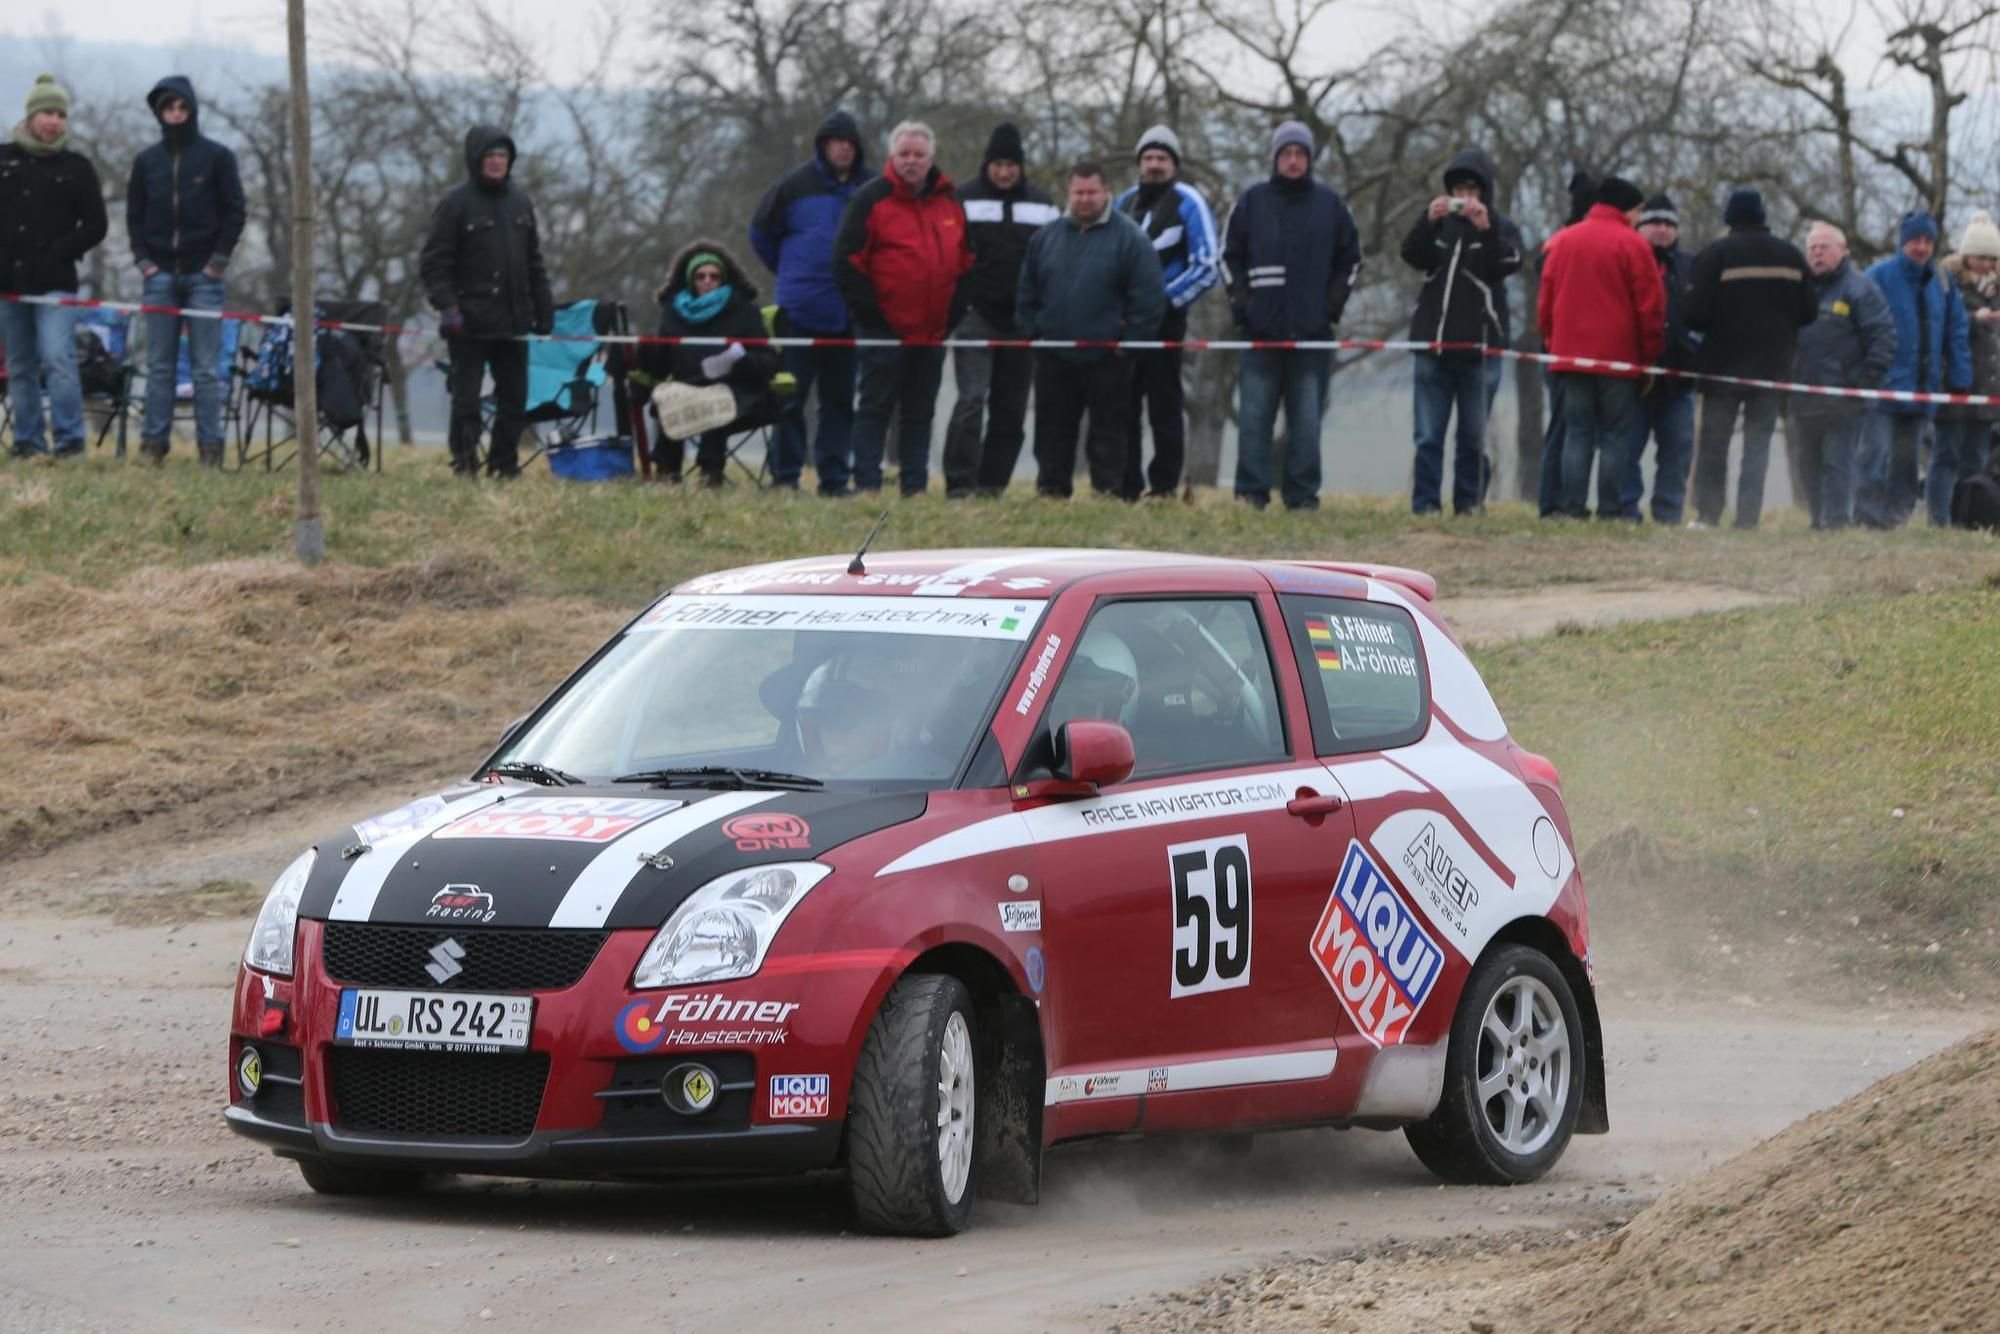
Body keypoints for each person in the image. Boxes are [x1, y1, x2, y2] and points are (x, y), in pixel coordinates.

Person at [1221, 120, 1362, 511]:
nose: (1294, 160)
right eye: (1287, 153)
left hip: (1312, 336)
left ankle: (1302, 498)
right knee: (1253, 421)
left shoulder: (1330, 205)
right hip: (1260, 336)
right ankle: (1251, 494)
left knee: (1306, 423)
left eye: (1301, 154)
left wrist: (1330, 307)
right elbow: (1228, 257)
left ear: (1310, 159)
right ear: (1275, 158)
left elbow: (1351, 260)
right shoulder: (1251, 202)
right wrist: (1243, 306)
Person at [833, 120, 972, 497]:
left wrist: (950, 318)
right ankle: (866, 484)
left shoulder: (950, 202)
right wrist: (874, 318)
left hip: (932, 332)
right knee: (875, 409)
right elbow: (847, 261)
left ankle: (915, 486)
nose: (912, 161)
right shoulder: (870, 200)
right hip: (883, 331)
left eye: (919, 154)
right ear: (892, 157)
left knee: (919, 412)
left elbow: (966, 263)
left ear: (931, 159)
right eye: (904, 154)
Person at [1015, 161, 1165, 497]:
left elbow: (1149, 296)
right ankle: (1052, 491)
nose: (1085, 199)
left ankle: (1108, 492)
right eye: (1078, 192)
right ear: (1069, 193)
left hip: (1109, 358)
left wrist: (1130, 342)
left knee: (1110, 431)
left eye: (1091, 192)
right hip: (1054, 355)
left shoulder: (1131, 239)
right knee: (1052, 430)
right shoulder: (1046, 238)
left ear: (1106, 192)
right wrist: (1032, 332)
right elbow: (1027, 290)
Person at [419, 125, 553, 479]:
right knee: (467, 400)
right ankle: (465, 464)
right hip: (469, 322)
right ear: (476, 160)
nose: (497, 162)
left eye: (503, 155)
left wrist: (544, 307)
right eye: (490, 155)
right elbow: (434, 263)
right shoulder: (454, 203)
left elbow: (534, 261)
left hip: (514, 320)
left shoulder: (521, 201)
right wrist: (447, 307)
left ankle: (504, 465)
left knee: (515, 399)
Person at [1399, 147, 1523, 515]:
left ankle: (1470, 502)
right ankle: (1425, 503)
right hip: (1432, 348)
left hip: (1479, 352)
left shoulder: (1502, 228)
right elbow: (1411, 253)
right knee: (1428, 435)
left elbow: (1509, 262)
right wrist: (1427, 220)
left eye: (1473, 189)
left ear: (1485, 193)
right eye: (1459, 190)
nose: (1465, 197)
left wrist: (1486, 231)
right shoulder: (1438, 227)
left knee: (1473, 435)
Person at [127, 76, 244, 467]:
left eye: (181, 107)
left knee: (206, 369)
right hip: (158, 277)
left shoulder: (217, 157)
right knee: (159, 366)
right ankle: (152, 444)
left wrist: (217, 262)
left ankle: (210, 448)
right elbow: (134, 216)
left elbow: (235, 211)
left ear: (192, 110)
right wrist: (144, 262)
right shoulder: (147, 162)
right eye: (168, 108)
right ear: (160, 113)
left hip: (204, 278)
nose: (175, 114)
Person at [1684, 187, 1817, 528]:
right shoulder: (1790, 256)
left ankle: (1709, 515)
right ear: (1762, 217)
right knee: (1756, 447)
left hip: (1723, 370)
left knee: (1714, 444)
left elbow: (1695, 314)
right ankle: (1747, 520)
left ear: (1729, 218)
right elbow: (1809, 312)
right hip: (1773, 370)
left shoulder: (1716, 254)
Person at [749, 110, 867, 494]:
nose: (844, 148)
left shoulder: (869, 187)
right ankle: (786, 476)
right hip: (797, 312)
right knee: (789, 399)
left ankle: (834, 479)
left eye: (850, 143)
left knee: (838, 402)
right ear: (823, 145)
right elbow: (761, 233)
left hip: (847, 314)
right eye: (837, 141)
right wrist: (789, 271)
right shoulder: (793, 185)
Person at [1534, 175, 1663, 519]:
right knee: (1614, 436)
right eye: (1638, 211)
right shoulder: (1633, 245)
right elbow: (1650, 308)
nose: (1639, 219)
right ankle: (1609, 509)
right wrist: (1647, 359)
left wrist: (1552, 342)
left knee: (1577, 433)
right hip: (1618, 361)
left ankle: (1573, 507)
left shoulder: (1563, 241)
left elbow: (1545, 302)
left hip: (1570, 357)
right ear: (1626, 209)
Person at [945, 122, 1056, 497]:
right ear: (987, 164)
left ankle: (992, 487)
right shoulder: (963, 198)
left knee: (1010, 411)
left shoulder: (1043, 206)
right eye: (998, 164)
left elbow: (1052, 262)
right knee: (971, 402)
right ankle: (959, 484)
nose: (1005, 171)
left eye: (1012, 164)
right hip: (976, 317)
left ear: (1021, 166)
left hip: (1023, 323)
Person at [0, 74, 106, 460]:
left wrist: (60, 251)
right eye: (47, 112)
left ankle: (69, 442)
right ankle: (28, 442)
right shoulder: (3, 158)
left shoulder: (77, 167)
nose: (54, 121)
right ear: (31, 115)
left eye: (61, 114)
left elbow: (96, 225)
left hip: (55, 283)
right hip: (8, 283)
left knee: (58, 359)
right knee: (19, 365)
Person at [1114, 125, 1220, 499]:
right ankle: (1124, 485)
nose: (1154, 165)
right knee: (1123, 405)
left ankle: (1163, 487)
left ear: (1174, 164)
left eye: (1162, 158)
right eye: (1148, 158)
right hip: (1124, 325)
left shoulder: (1188, 200)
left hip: (1166, 324)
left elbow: (1207, 265)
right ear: (1139, 163)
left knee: (1164, 406)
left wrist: (1163, 302)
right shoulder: (1124, 201)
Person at [1858, 211, 1971, 528]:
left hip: (1923, 388)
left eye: (1927, 241)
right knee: (1873, 456)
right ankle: (1867, 517)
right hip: (1882, 387)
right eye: (1915, 240)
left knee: (1906, 462)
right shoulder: (1878, 276)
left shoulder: (1943, 283)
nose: (1921, 247)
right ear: (1902, 242)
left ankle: (1897, 517)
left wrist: (1960, 378)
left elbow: (1956, 331)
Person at [644, 241, 780, 487]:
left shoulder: (745, 311)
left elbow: (768, 362)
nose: (707, 281)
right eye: (700, 276)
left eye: (714, 276)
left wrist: (742, 361)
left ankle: (711, 473)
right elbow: (660, 367)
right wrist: (646, 352)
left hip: (738, 390)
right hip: (686, 387)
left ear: (724, 279)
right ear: (690, 280)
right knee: (668, 396)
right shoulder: (672, 313)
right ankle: (666, 472)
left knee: (713, 399)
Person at [1788, 222, 1895, 529]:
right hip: (1804, 395)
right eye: (1812, 248)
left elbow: (1883, 338)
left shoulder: (1860, 289)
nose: (1818, 253)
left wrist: (1863, 380)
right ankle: (1816, 520)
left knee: (1837, 463)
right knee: (1808, 463)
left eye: (1824, 247)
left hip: (1843, 398)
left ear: (1843, 250)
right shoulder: (1799, 289)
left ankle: (1836, 523)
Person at [1617, 193, 1697, 523]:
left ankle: (1669, 512)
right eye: (1655, 223)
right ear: (1640, 226)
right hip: (1635, 378)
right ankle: (1625, 510)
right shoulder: (1626, 260)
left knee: (1678, 450)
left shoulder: (1691, 265)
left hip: (1678, 378)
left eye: (1669, 224)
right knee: (1626, 450)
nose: (1662, 230)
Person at [1929, 211, 2000, 525]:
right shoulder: (1947, 285)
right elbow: (1942, 328)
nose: (1986, 264)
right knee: (1946, 456)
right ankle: (1939, 518)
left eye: (1991, 258)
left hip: (1988, 389)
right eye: (1980, 257)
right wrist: (1974, 320)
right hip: (1955, 386)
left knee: (1976, 459)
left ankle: (1967, 518)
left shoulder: (1996, 291)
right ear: (1966, 256)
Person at [1536, 170, 1599, 516]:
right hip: (1569, 352)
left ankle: (1555, 502)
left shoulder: (1558, 241)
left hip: (1557, 348)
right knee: (1566, 430)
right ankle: (1553, 503)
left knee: (1563, 429)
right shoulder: (1567, 242)